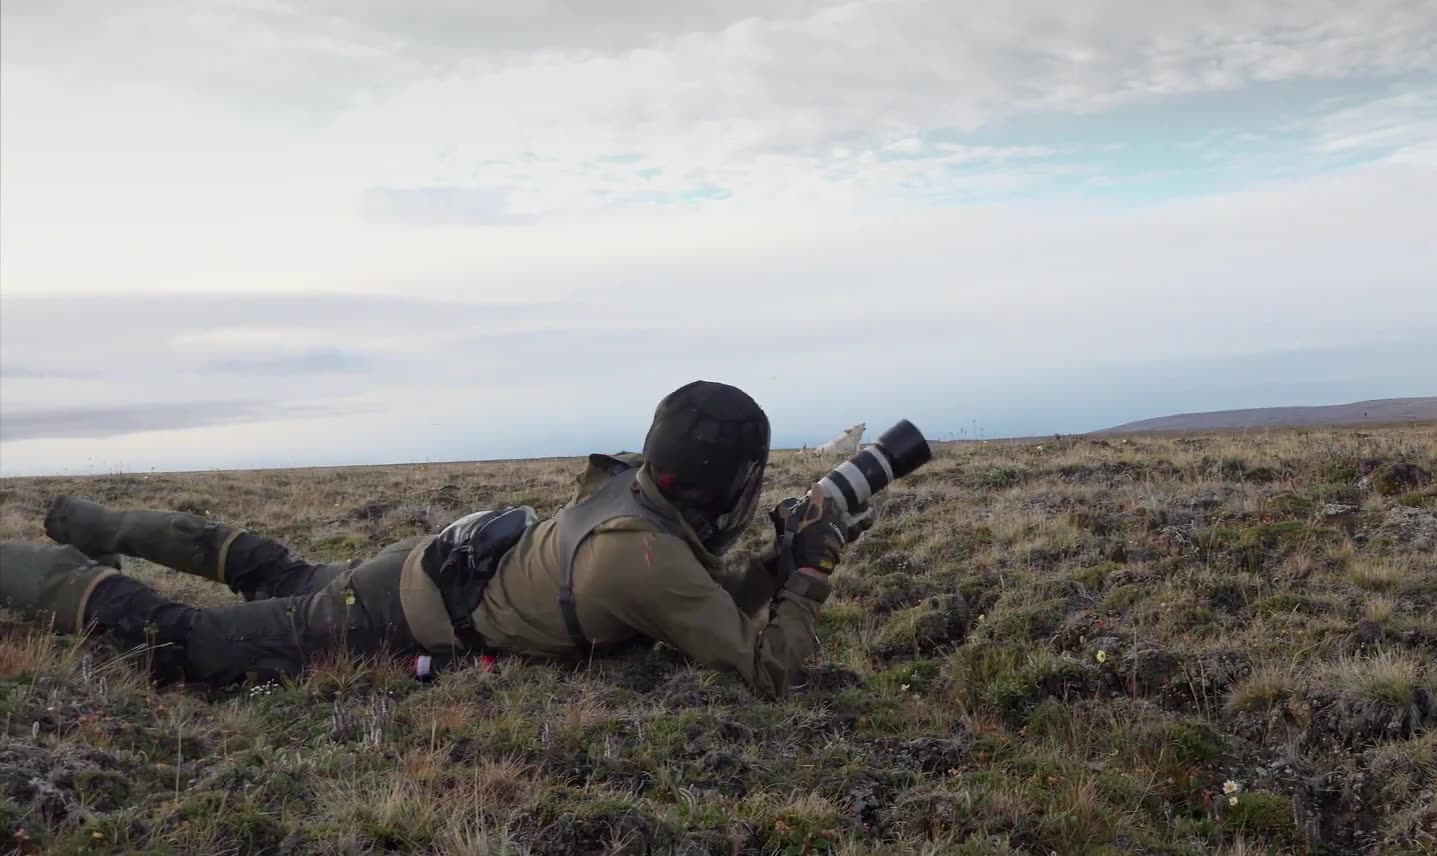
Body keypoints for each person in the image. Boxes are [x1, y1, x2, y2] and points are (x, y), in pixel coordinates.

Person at [0, 381, 850, 698]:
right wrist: (805, 576)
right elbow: (765, 668)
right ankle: (44, 569)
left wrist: (775, 563)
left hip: (405, 575)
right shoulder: (645, 557)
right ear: (729, 486)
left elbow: (699, 604)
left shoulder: (632, 496)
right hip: (383, 621)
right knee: (184, 645)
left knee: (267, 567)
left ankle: (87, 520)